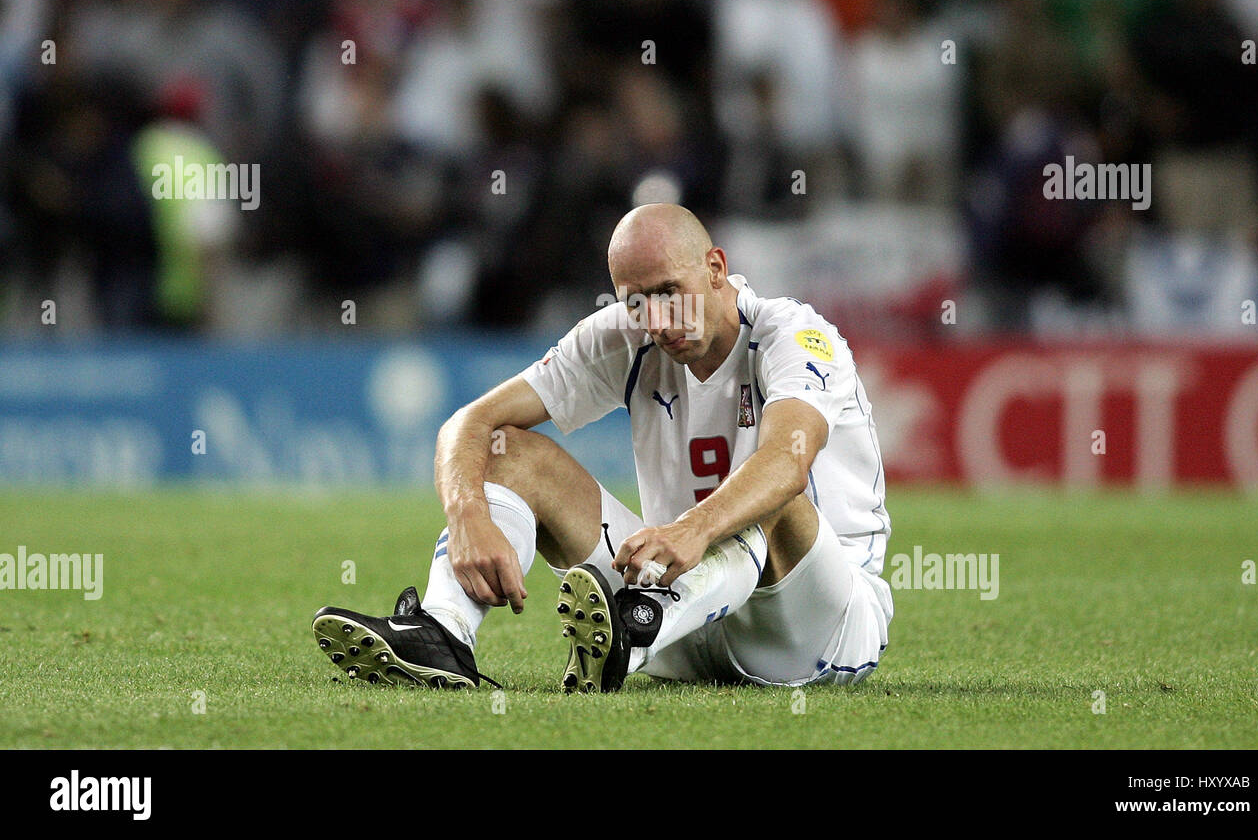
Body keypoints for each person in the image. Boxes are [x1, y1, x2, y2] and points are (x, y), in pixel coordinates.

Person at [312, 204, 893, 691]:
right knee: (509, 451)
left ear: (716, 268)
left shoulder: (794, 337)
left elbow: (787, 464)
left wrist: (692, 527)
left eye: (671, 293)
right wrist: (466, 514)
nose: (659, 320)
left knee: (771, 495)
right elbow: (470, 422)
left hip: (817, 629)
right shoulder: (624, 334)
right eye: (637, 302)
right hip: (678, 624)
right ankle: (443, 633)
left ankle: (638, 624)